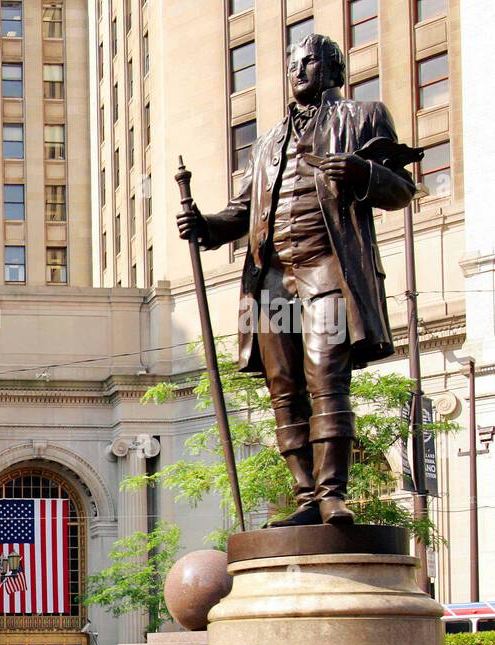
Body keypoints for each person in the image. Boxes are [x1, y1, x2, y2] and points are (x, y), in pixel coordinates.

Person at [177, 33, 415, 527]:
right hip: (270, 277)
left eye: (307, 62)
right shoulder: (266, 144)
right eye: (291, 63)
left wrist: (362, 172)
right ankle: (305, 495)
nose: (296, 71)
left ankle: (332, 494)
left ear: (332, 69)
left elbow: (400, 190)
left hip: (328, 267)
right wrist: (206, 228)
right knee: (282, 387)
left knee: (326, 377)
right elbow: (243, 212)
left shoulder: (363, 116)